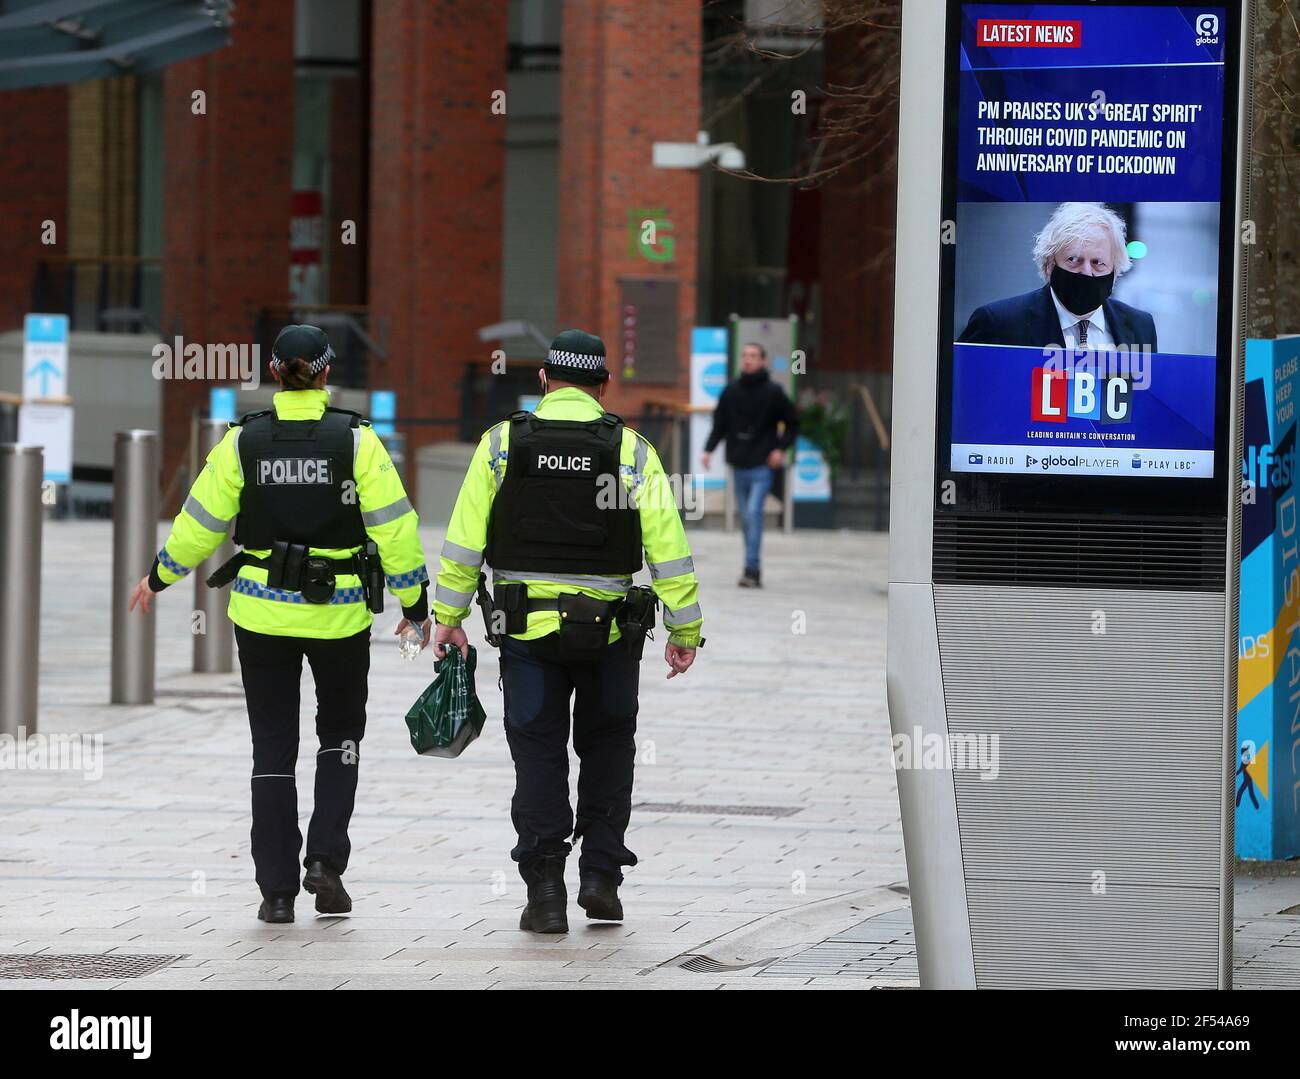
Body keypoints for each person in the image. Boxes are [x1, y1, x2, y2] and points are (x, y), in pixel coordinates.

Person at [128, 324, 430, 924]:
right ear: (326, 372)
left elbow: (201, 520)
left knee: (272, 749)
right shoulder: (358, 441)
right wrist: (415, 606)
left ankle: (275, 892)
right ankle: (325, 863)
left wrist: (159, 576)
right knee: (340, 739)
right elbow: (394, 528)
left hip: (260, 616)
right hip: (339, 618)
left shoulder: (244, 441)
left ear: (273, 371)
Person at [433, 329, 703, 934]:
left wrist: (447, 618)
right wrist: (685, 628)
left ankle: (546, 890)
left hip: (526, 635)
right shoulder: (631, 450)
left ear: (544, 382)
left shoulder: (501, 444)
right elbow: (669, 547)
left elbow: (462, 543)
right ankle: (601, 876)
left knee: (538, 755)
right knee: (608, 747)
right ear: (604, 386)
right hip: (610, 637)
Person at [958, 202, 1158, 351]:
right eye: (1074, 259)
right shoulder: (997, 324)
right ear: (1049, 265)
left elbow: (1146, 401)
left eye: (1098, 263)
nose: (1086, 272)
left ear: (1115, 272)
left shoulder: (1140, 327)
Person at [701, 342, 799, 588]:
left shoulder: (774, 392)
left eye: (753, 356)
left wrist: (780, 448)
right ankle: (751, 565)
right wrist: (708, 450)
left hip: (762, 464)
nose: (748, 360)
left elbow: (793, 422)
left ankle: (752, 569)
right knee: (746, 518)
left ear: (763, 361)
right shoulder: (731, 391)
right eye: (745, 355)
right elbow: (719, 424)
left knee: (754, 513)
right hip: (738, 463)